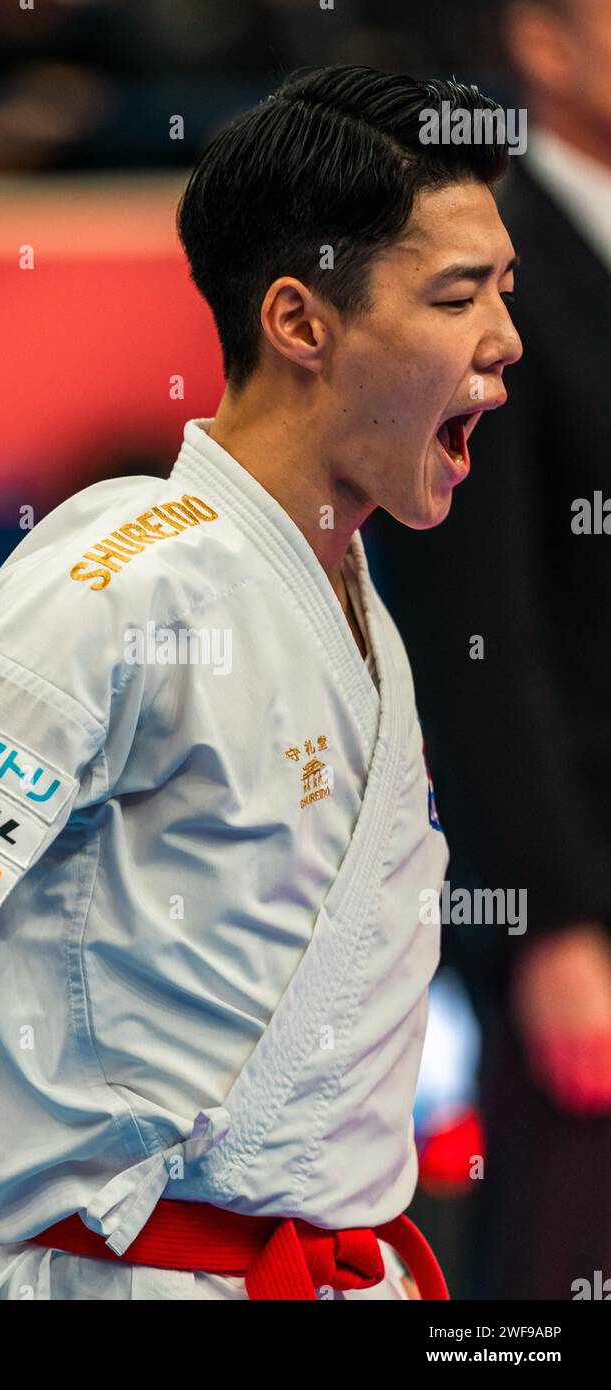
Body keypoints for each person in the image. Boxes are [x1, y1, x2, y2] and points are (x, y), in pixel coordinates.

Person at [0, 63, 521, 1302]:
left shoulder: (362, 603)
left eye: (505, 289)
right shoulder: (119, 588)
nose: (503, 339)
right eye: (455, 295)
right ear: (297, 322)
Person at [367, 0, 611, 1299]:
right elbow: (477, 634)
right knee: (558, 1260)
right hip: (571, 889)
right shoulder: (480, 261)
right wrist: (554, 923)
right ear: (544, 39)